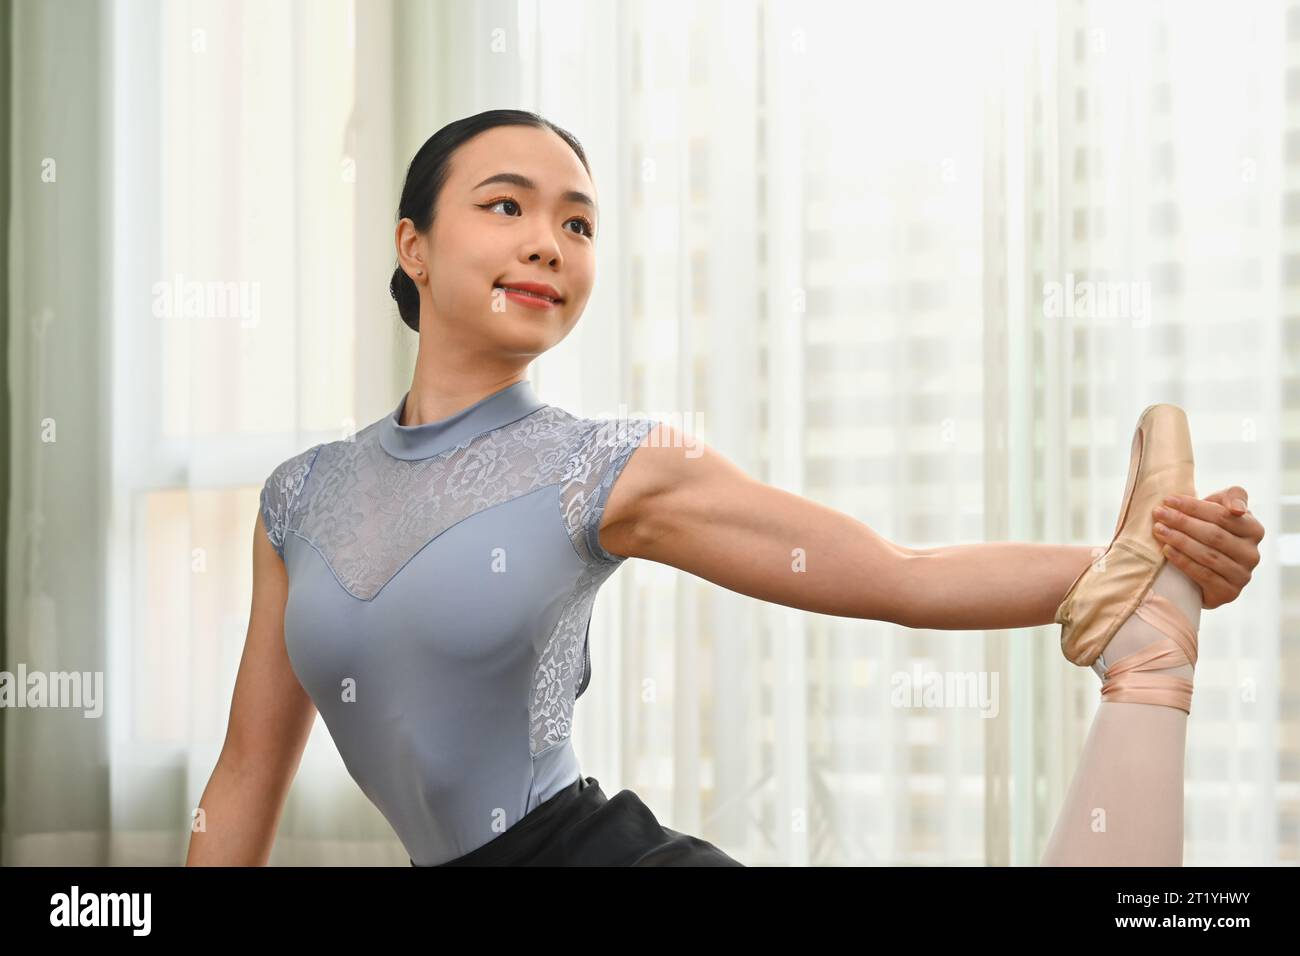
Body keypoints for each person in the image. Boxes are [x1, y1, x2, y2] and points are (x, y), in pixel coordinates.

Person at [186, 109, 1265, 867]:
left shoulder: (605, 465)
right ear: (413, 246)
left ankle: (1147, 635)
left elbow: (892, 571)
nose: (546, 243)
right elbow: (243, 776)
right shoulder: (301, 498)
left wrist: (1127, 564)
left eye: (577, 223)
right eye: (505, 205)